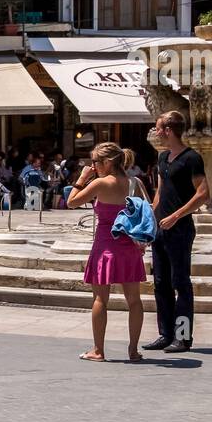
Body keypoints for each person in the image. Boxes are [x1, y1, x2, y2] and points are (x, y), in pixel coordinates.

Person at [66, 142, 148, 362]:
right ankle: (133, 350)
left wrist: (82, 179)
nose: (92, 166)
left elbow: (71, 202)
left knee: (101, 299)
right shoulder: (135, 183)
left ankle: (99, 350)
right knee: (134, 301)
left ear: (108, 162)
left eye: (95, 162)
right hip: (130, 247)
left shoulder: (101, 184)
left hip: (106, 247)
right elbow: (148, 211)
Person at [142, 112, 209, 352]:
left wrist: (175, 215)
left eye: (158, 128)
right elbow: (160, 192)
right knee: (160, 283)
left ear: (168, 130)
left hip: (180, 229)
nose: (156, 131)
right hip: (160, 229)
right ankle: (165, 333)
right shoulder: (162, 158)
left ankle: (182, 337)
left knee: (180, 282)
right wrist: (149, 216)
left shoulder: (192, 158)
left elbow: (203, 194)